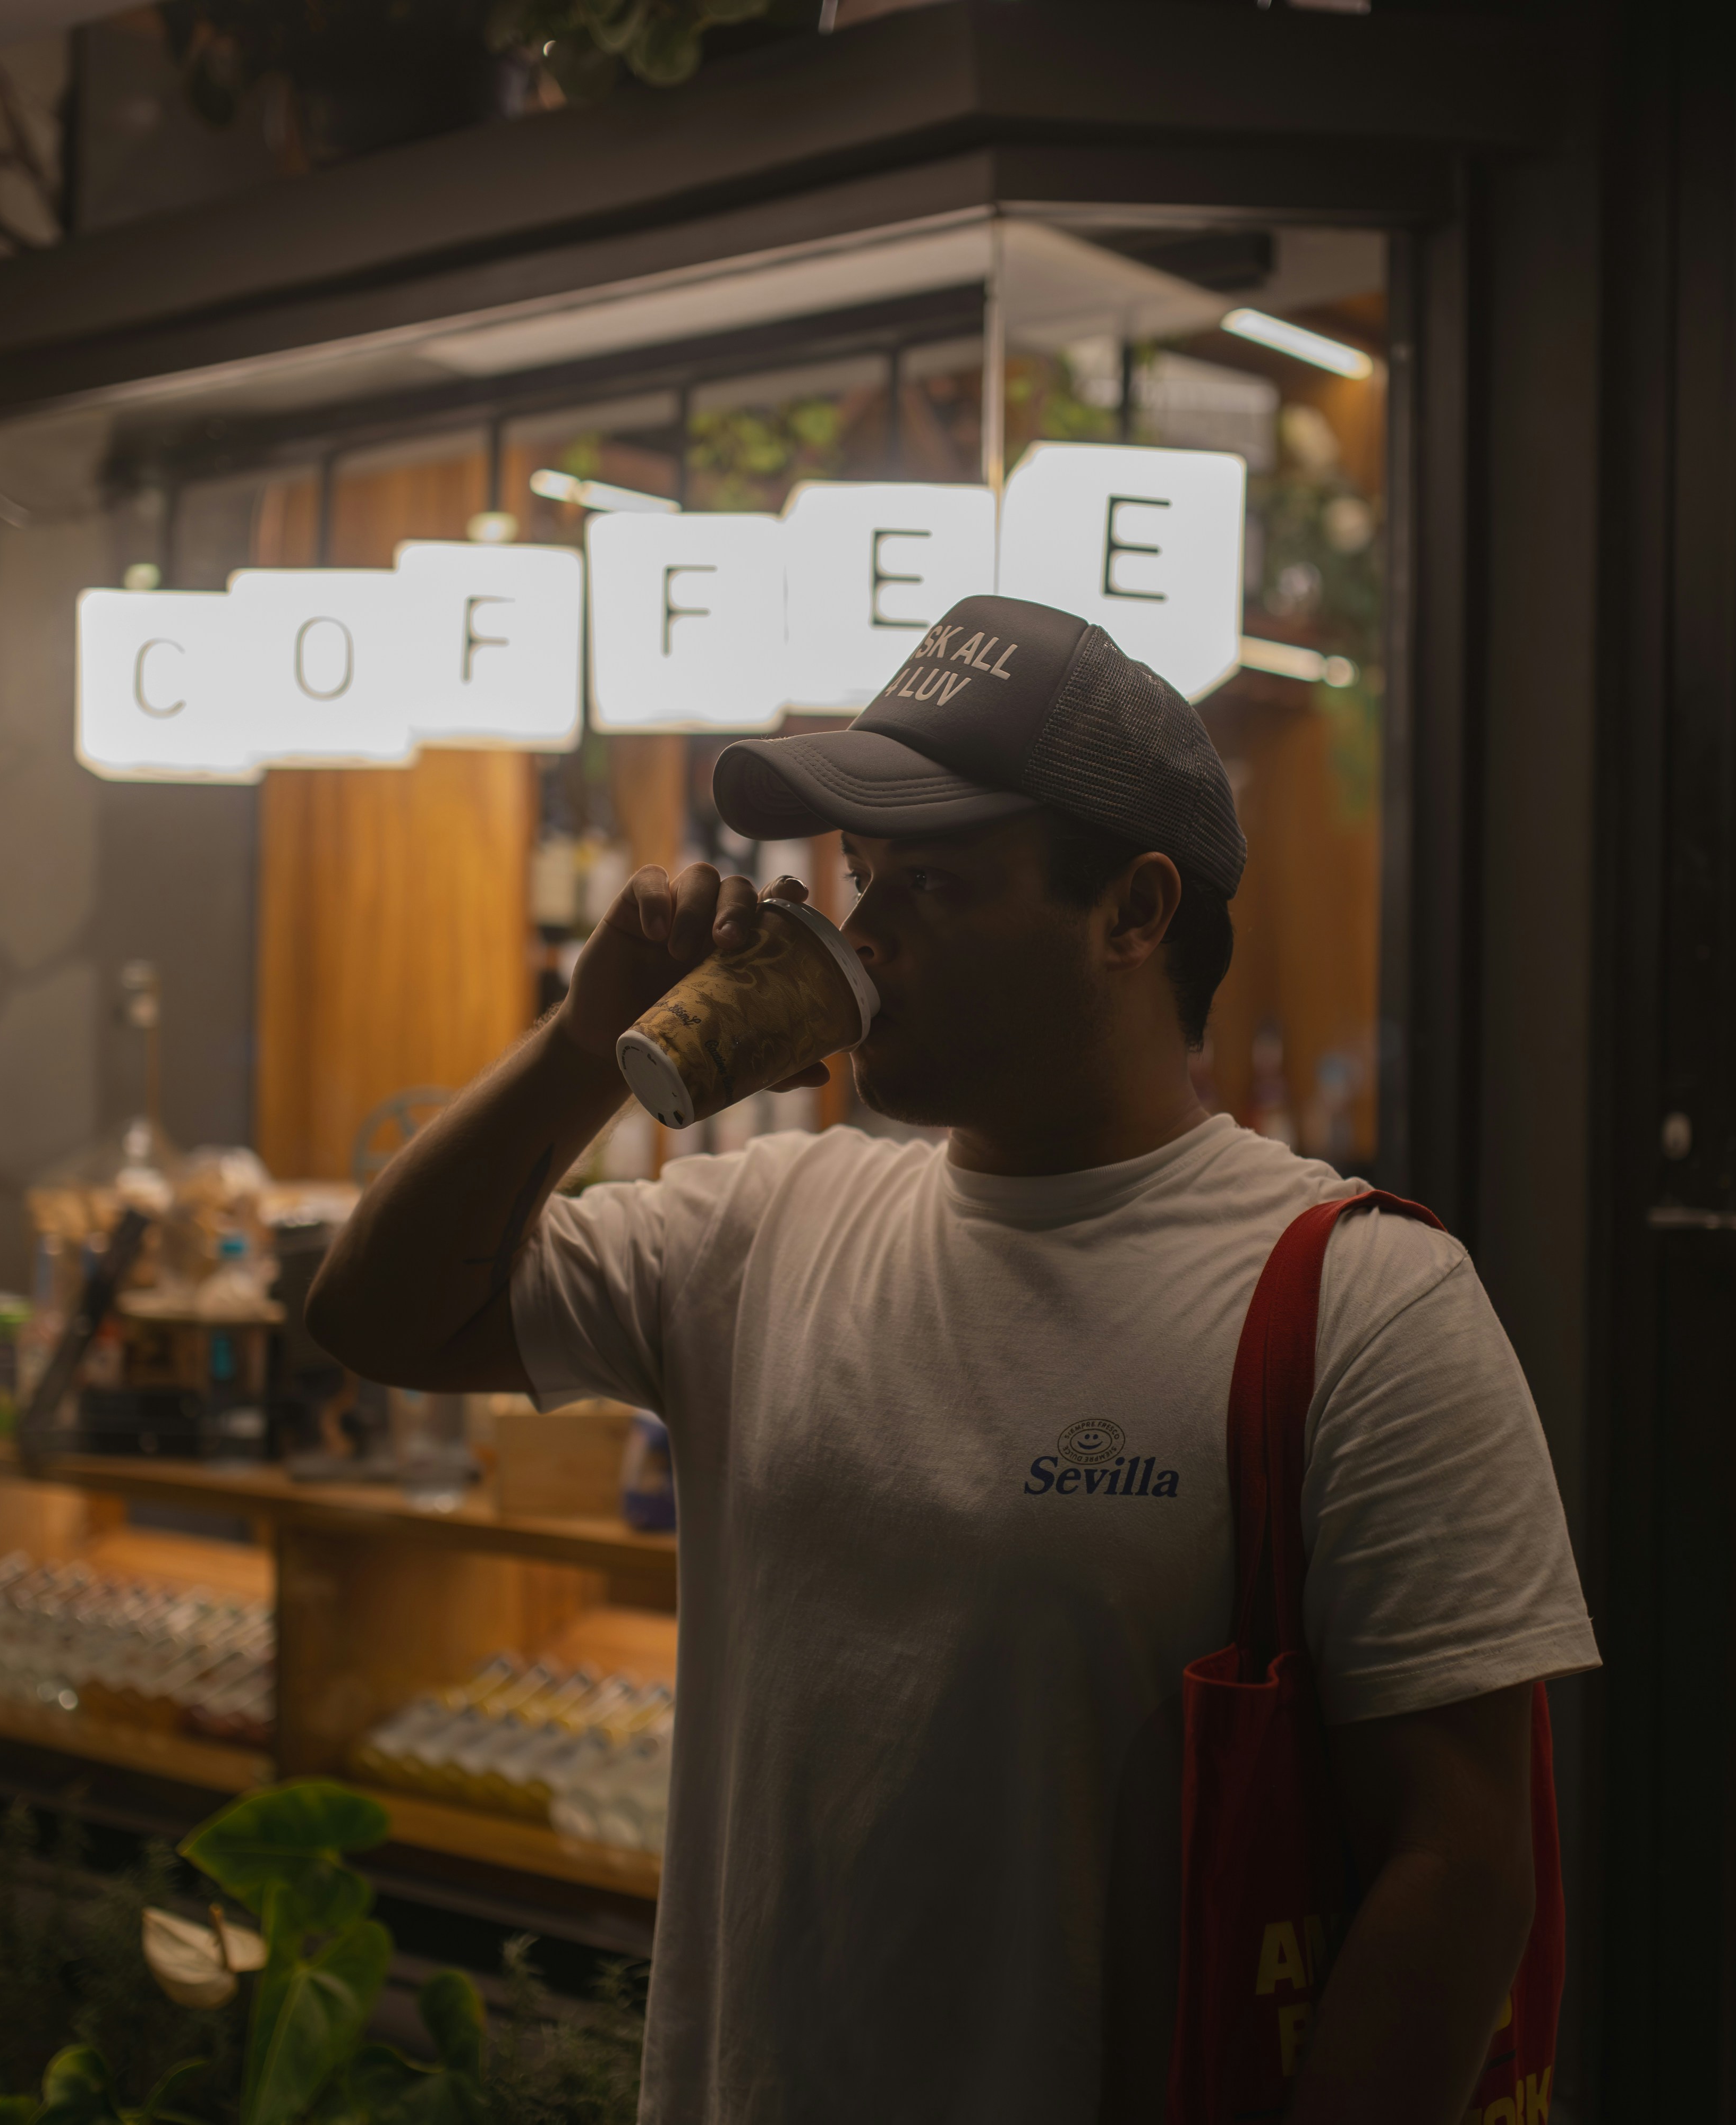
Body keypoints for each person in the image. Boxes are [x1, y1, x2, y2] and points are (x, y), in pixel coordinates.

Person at [307, 595, 1596, 2124]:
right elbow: (376, 1315)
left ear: (1134, 913)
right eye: (863, 875)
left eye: (934, 882)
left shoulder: (1357, 1300)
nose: (862, 933)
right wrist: (586, 1041)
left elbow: (1461, 1868)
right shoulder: (764, 1227)